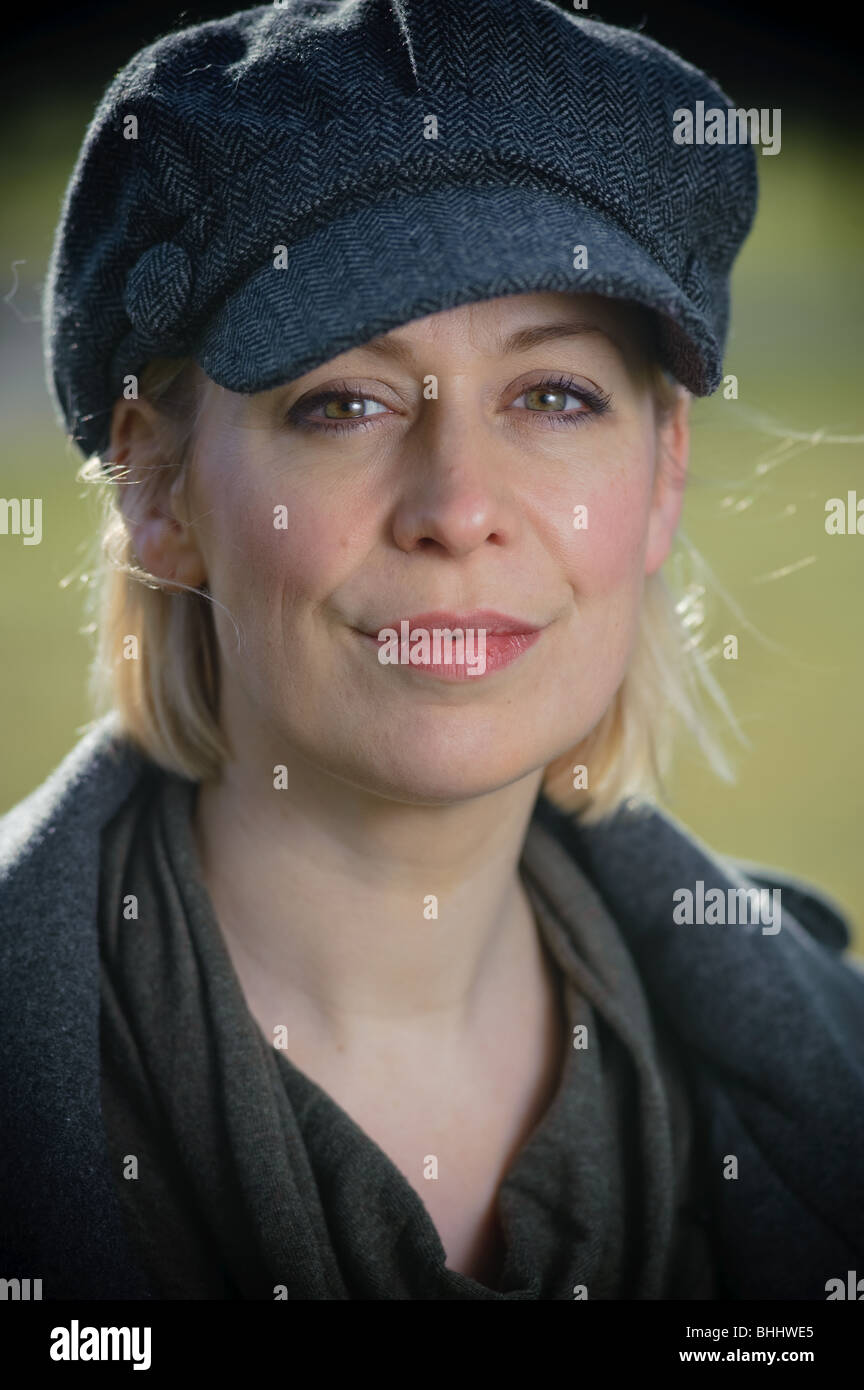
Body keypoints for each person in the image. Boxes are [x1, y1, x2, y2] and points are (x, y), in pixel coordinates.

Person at [1, 0, 862, 1302]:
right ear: (160, 495)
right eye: (344, 401)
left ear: (664, 471)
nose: (458, 506)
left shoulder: (835, 1060)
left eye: (553, 395)